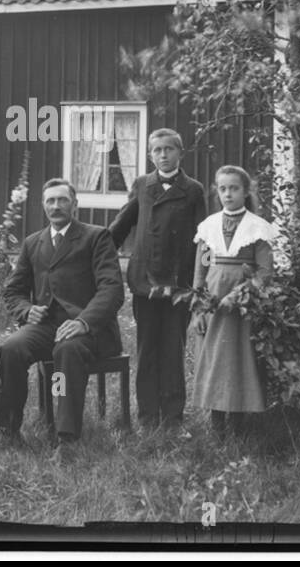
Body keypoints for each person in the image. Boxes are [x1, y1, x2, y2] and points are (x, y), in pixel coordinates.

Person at [0, 178, 124, 453]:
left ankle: (66, 438)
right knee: (11, 348)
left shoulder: (96, 237)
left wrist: (83, 322)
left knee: (66, 350)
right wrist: (26, 310)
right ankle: (8, 430)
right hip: (47, 326)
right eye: (50, 201)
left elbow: (112, 289)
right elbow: (13, 291)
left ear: (75, 204)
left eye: (62, 200)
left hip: (90, 330)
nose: (56, 206)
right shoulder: (33, 243)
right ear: (43, 206)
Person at [109, 128, 207, 434]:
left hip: (179, 284)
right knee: (147, 348)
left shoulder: (193, 190)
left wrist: (199, 285)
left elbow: (203, 239)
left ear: (180, 152)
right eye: (157, 150)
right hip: (145, 282)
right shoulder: (142, 185)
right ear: (150, 154)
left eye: (168, 149)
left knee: (173, 350)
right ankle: (147, 417)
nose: (163, 155)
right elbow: (121, 226)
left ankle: (173, 418)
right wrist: (96, 253)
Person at [191, 165, 281, 438]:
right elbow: (202, 268)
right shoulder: (208, 227)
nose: (228, 194)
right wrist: (199, 307)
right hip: (213, 301)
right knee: (215, 359)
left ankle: (239, 427)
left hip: (243, 304)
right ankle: (217, 426)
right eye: (223, 189)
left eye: (234, 188)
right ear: (217, 192)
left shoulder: (257, 228)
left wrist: (239, 295)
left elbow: (264, 273)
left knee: (237, 359)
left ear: (245, 192)